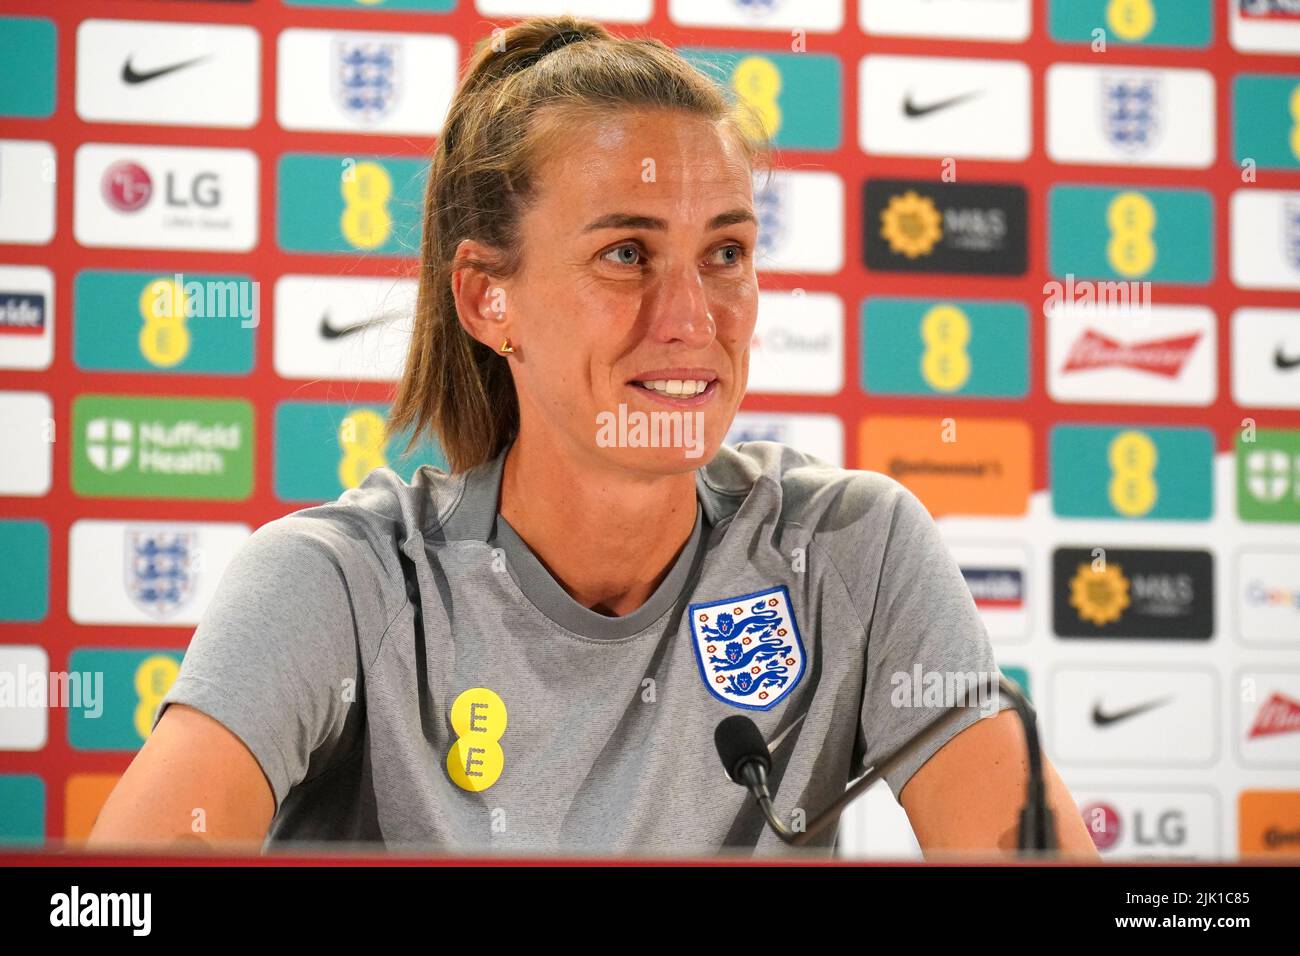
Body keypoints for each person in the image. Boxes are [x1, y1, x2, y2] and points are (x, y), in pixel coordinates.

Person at [88, 15, 1097, 858]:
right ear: (489, 298)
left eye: (726, 252)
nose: (691, 316)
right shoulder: (341, 582)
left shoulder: (849, 549)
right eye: (626, 252)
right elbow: (119, 897)